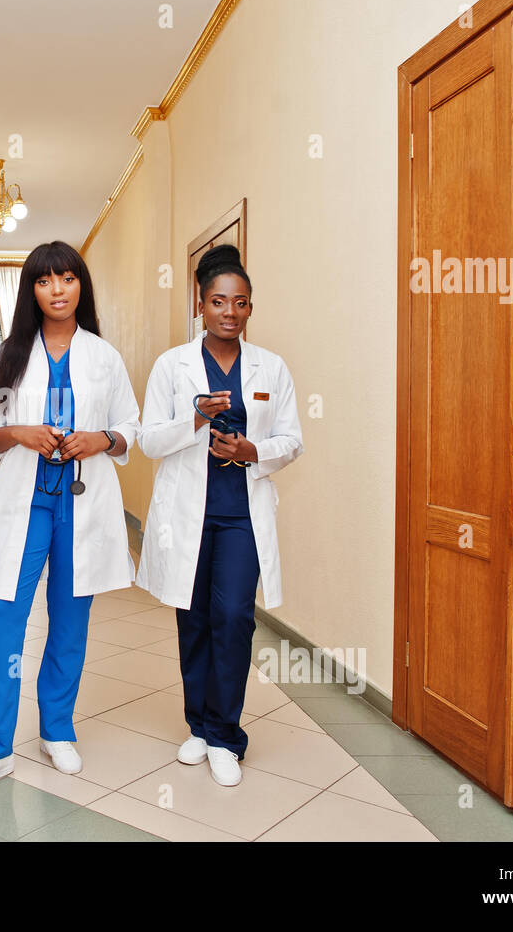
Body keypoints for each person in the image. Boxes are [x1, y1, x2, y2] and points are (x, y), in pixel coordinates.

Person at [0, 240, 140, 795]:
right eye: (44, 280)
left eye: (67, 278)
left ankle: (56, 729)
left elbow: (131, 426)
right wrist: (21, 433)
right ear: (30, 290)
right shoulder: (10, 354)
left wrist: (101, 438)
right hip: (24, 503)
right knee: (0, 618)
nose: (57, 290)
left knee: (70, 619)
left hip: (80, 503)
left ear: (81, 286)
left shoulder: (103, 357)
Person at [136, 244, 304, 786]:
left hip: (240, 514)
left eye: (240, 303)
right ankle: (200, 726)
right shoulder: (172, 365)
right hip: (187, 512)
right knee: (194, 619)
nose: (229, 312)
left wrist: (250, 451)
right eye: (218, 302)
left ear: (250, 308)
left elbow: (292, 440)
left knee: (234, 618)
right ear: (200, 304)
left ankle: (226, 734)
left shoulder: (271, 368)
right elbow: (148, 441)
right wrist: (193, 419)